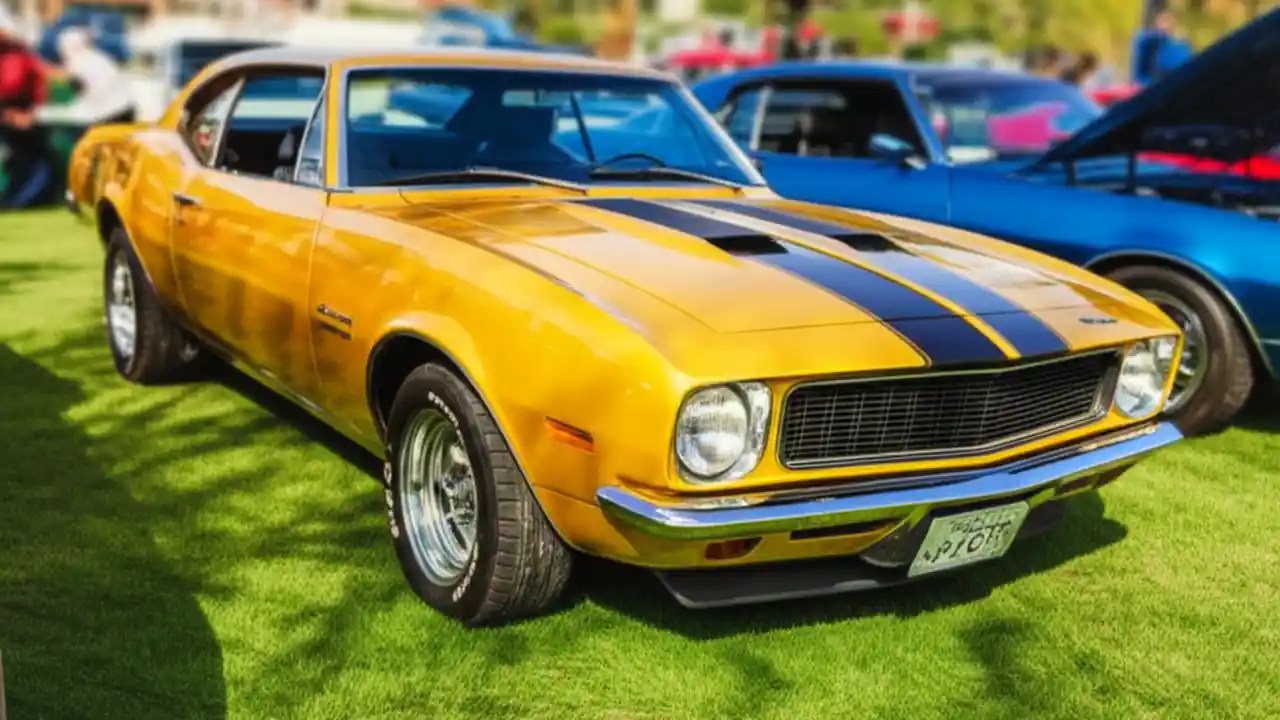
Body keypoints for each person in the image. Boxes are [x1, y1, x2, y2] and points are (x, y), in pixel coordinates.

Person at [0, 6, 52, 209]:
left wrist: (30, 113)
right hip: (11, 116)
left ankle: (17, 202)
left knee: (37, 162)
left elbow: (39, 84)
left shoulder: (21, 55)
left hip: (22, 115)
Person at [55, 27, 134, 124]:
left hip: (112, 115)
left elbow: (77, 88)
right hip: (127, 109)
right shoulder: (99, 57)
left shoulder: (77, 63)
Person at [1132, 10, 1193, 85]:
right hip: (1152, 82)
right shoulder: (1148, 40)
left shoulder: (1181, 46)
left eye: (1167, 21)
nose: (1165, 25)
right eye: (1163, 21)